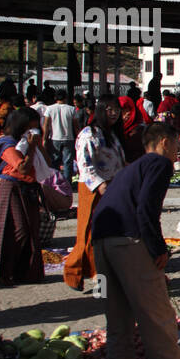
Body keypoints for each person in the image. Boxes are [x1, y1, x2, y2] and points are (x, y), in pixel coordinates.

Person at [91, 123, 180, 359]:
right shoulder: (159, 165)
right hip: (129, 242)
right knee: (157, 316)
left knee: (117, 320)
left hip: (102, 243)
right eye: (177, 144)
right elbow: (146, 209)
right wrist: (157, 248)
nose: (178, 151)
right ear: (164, 141)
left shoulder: (132, 167)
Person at [64, 95, 126, 291]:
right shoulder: (88, 133)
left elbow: (119, 161)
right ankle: (73, 273)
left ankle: (101, 279)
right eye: (109, 109)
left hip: (113, 186)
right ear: (100, 110)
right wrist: (100, 185)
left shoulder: (112, 135)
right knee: (88, 234)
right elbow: (85, 164)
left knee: (106, 235)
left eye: (116, 109)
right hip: (94, 189)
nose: (114, 113)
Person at [0, 108, 46, 286]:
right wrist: (32, 146)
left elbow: (46, 163)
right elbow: (22, 168)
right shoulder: (6, 143)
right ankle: (2, 269)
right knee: (17, 229)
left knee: (31, 228)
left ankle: (24, 272)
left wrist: (38, 146)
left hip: (28, 186)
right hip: (12, 186)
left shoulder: (25, 141)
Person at [42, 87, 78, 182]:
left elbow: (46, 125)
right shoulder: (72, 109)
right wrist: (78, 138)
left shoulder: (49, 109)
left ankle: (56, 182)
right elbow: (76, 126)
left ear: (55, 98)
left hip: (54, 138)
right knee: (67, 162)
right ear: (66, 98)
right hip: (68, 138)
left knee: (54, 162)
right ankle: (67, 183)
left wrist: (44, 139)